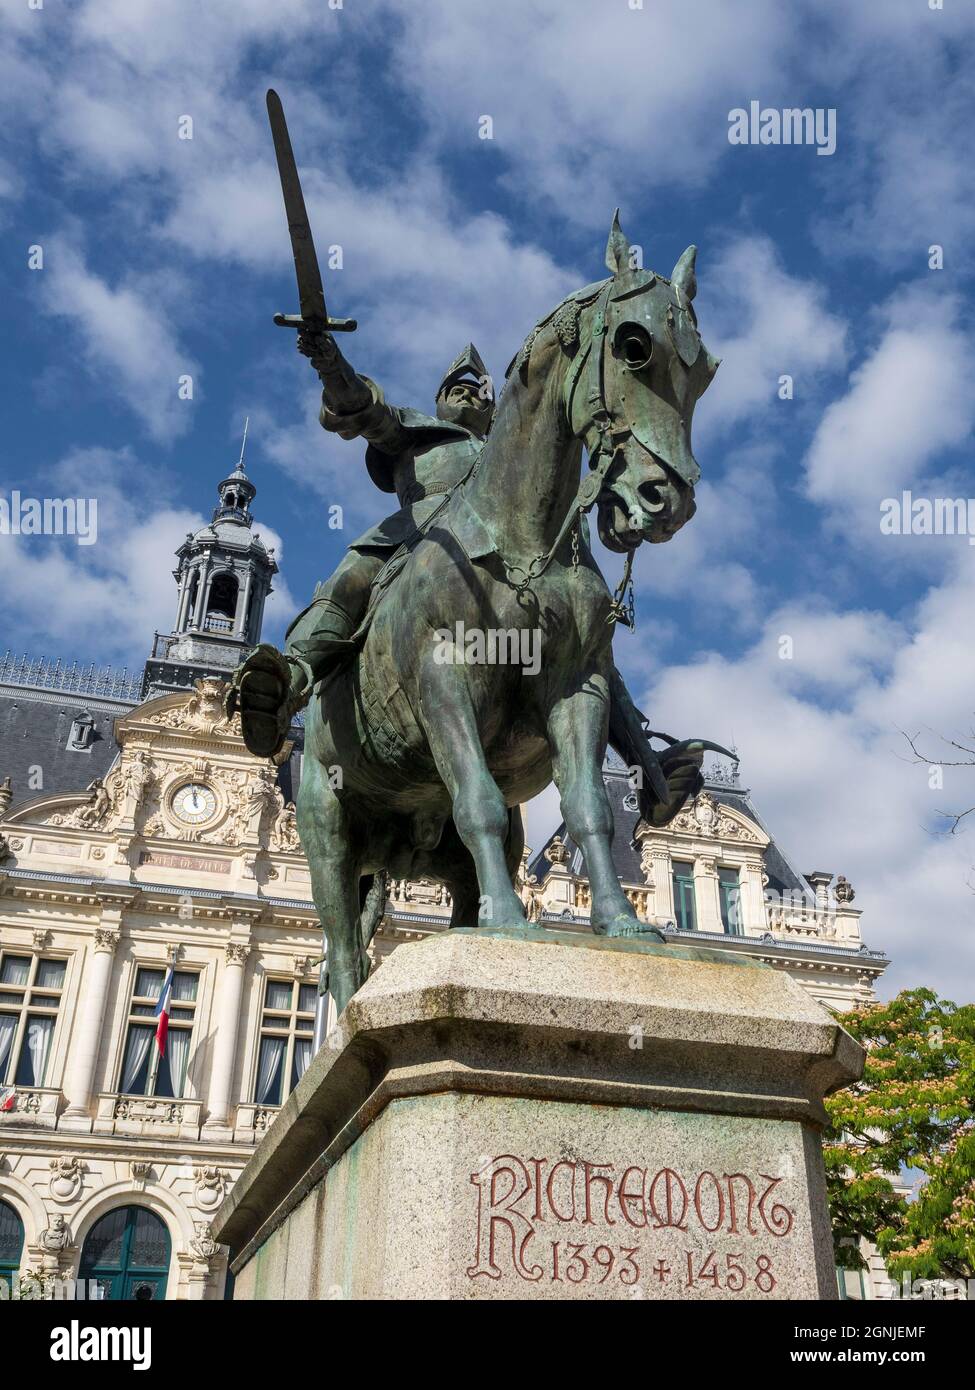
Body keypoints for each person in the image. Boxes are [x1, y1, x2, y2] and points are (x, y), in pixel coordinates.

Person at [232, 332, 494, 757]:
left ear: (494, 410)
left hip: (500, 538)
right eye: (454, 389)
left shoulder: (513, 452)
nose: (466, 394)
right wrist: (331, 365)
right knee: (351, 578)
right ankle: (293, 679)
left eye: (476, 393)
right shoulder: (417, 432)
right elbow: (364, 410)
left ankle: (633, 747)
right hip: (419, 531)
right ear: (439, 402)